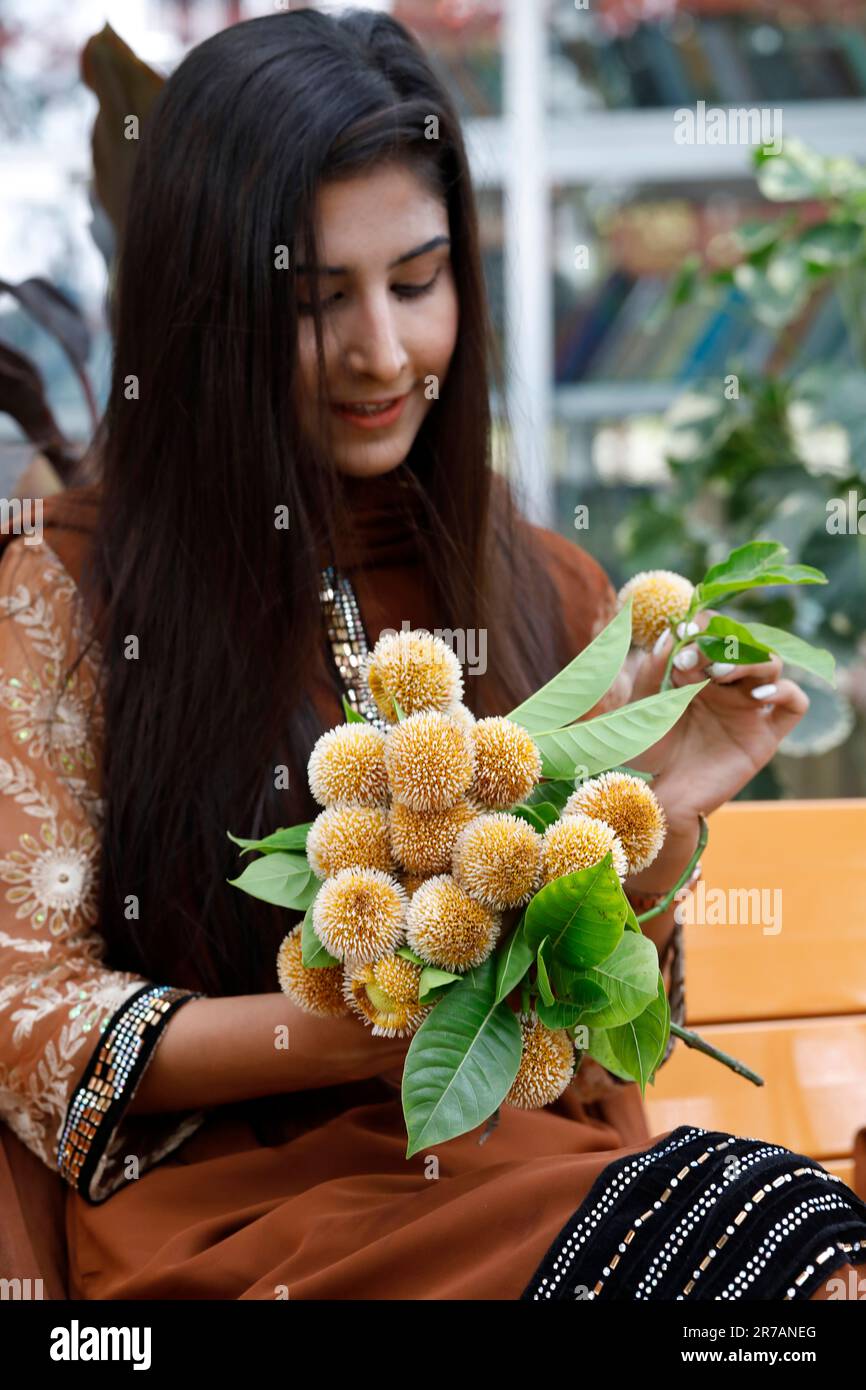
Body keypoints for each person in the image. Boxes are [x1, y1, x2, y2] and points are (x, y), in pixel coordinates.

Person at [0, 8, 863, 1302]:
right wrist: (369, 1026)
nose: (383, 353)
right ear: (207, 312)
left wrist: (656, 815)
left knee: (785, 1241)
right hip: (243, 1226)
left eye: (417, 280)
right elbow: (34, 1019)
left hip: (528, 1188)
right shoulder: (64, 591)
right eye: (315, 302)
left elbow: (595, 1049)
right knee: (766, 1242)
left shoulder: (546, 585)